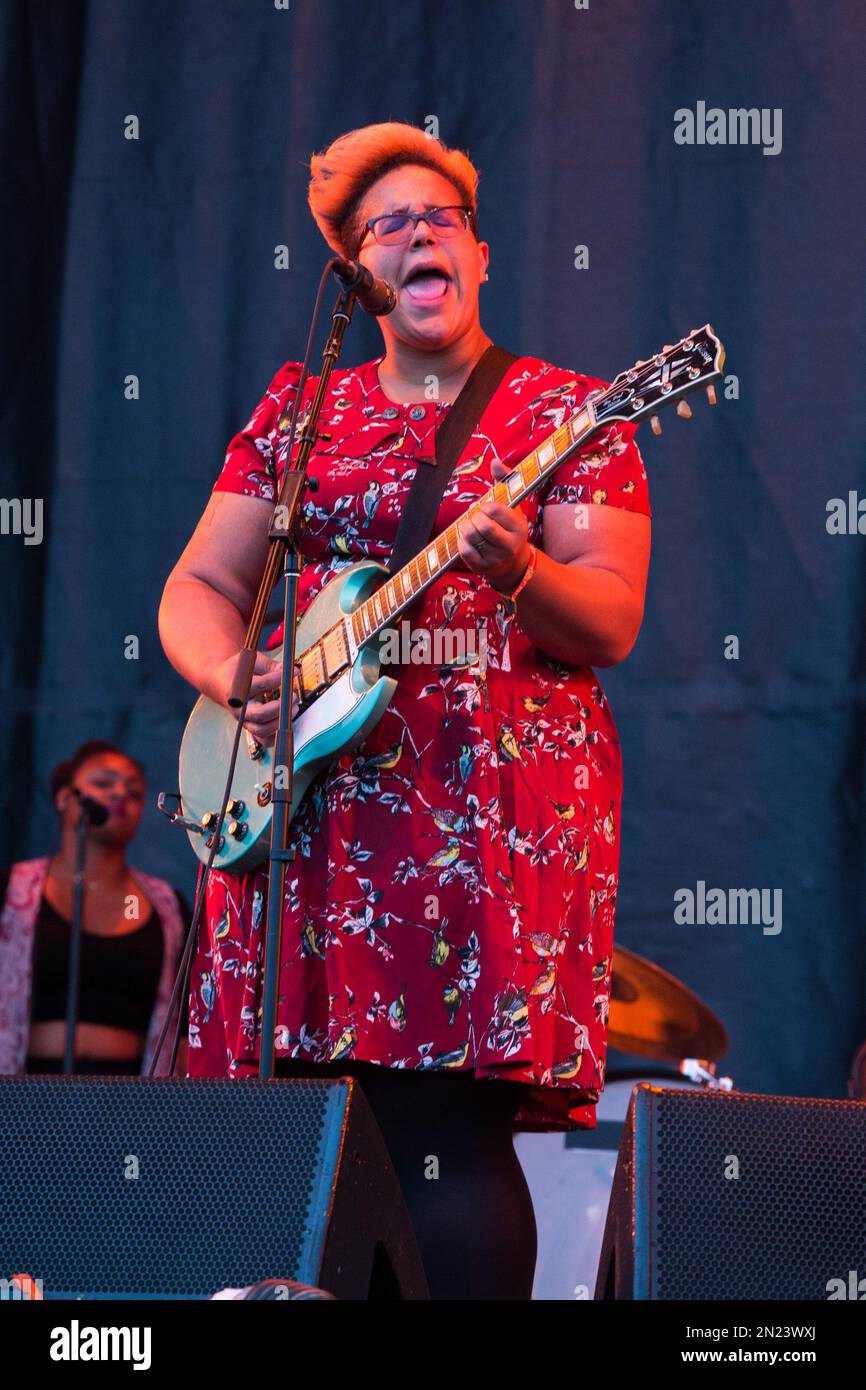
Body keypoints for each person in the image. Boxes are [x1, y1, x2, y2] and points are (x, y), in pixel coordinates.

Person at [158, 121, 652, 1299]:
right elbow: (199, 588)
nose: (418, 233)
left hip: (481, 817)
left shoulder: (569, 410)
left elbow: (611, 620)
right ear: (357, 272)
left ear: (480, 255)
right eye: (389, 225)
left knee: (450, 1133)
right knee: (298, 1128)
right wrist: (236, 678)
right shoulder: (299, 407)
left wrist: (520, 571)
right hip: (305, 811)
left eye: (441, 218)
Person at [0, 740, 190, 1076]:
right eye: (103, 783)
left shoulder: (165, 906)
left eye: (134, 792)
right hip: (20, 1099)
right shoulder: (11, 889)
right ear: (63, 799)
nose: (120, 794)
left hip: (131, 1107)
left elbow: (190, 1024)